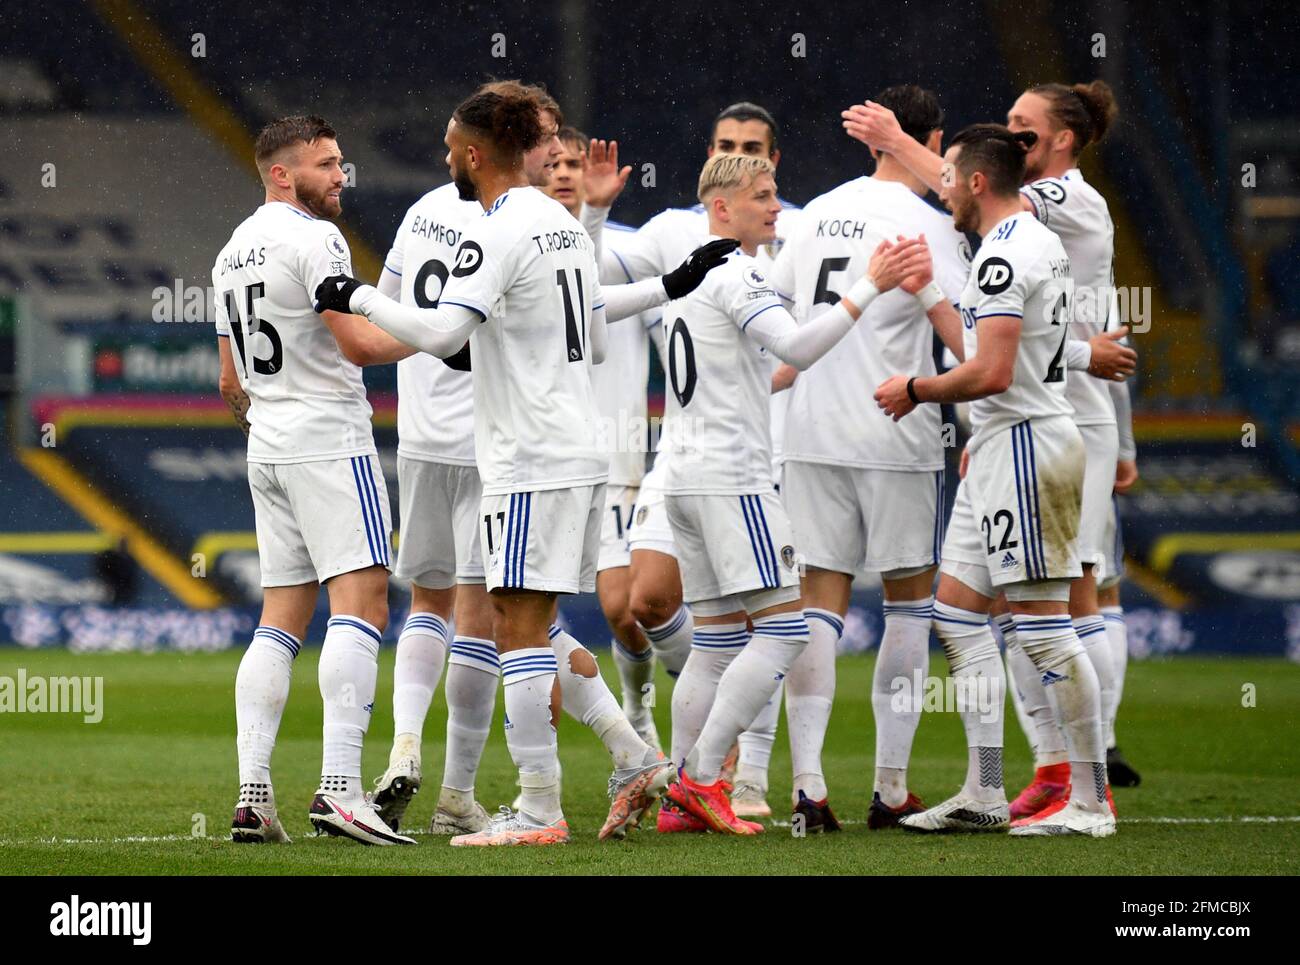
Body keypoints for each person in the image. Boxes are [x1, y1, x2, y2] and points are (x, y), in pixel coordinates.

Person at [314, 85, 736, 845]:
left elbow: (443, 336)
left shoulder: (502, 227)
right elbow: (595, 334)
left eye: (451, 147)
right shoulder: (565, 226)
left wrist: (357, 296)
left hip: (527, 453)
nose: (446, 158)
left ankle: (539, 805)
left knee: (512, 622)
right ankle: (633, 757)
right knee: (528, 619)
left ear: (476, 154)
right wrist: (667, 287)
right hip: (580, 449)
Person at [655, 152, 929, 834]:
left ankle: (679, 798)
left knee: (716, 644)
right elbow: (800, 350)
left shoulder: (687, 276)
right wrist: (867, 286)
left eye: (776, 193)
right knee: (783, 629)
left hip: (683, 476)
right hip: (732, 478)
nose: (776, 207)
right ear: (722, 208)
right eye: (762, 195)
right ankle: (699, 777)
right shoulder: (736, 269)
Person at [874, 123, 1115, 837]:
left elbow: (993, 372)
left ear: (976, 182)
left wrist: (915, 388)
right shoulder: (1013, 246)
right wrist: (927, 294)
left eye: (948, 176)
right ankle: (983, 789)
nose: (941, 187)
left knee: (1045, 632)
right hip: (999, 445)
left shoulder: (1009, 252)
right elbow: (981, 350)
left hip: (1027, 451)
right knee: (956, 613)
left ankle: (1092, 801)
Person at [767, 85, 968, 829]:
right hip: (897, 430)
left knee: (819, 605)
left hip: (813, 430)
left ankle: (808, 790)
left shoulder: (815, 210)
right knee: (908, 609)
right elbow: (966, 339)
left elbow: (783, 327)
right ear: (934, 138)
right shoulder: (933, 225)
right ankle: (889, 789)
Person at [217, 115, 418, 846]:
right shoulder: (317, 239)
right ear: (281, 172)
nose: (341, 175)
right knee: (361, 603)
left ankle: (252, 795)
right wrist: (439, 334)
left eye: (341, 161)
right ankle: (339, 789)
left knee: (280, 617)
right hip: (330, 438)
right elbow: (359, 343)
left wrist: (274, 418)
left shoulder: (231, 251)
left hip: (268, 445)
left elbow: (229, 381)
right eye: (327, 163)